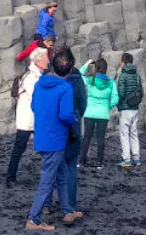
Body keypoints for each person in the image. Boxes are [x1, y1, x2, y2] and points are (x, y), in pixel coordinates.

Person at [26, 50, 79, 231]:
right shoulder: (65, 88)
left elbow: (33, 106)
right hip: (55, 140)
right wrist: (74, 120)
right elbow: (66, 115)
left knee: (62, 174)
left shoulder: (40, 84)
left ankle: (67, 211)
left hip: (42, 137)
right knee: (47, 180)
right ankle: (34, 218)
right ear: (70, 69)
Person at [7, 47, 49, 187]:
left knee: (23, 148)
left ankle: (11, 177)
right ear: (38, 61)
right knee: (21, 148)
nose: (48, 61)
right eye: (45, 58)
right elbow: (36, 97)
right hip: (28, 119)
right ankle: (10, 178)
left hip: (30, 119)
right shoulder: (32, 77)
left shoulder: (34, 75)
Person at [59, 48, 88, 219]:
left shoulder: (50, 80)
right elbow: (83, 105)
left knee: (51, 167)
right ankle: (69, 207)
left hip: (55, 128)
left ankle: (46, 205)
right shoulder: (77, 81)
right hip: (73, 125)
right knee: (70, 167)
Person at [81, 58, 118, 169]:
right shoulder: (110, 82)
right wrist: (108, 106)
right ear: (106, 69)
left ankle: (82, 161)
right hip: (103, 114)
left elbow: (80, 74)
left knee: (87, 137)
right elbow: (115, 98)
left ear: (95, 68)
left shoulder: (90, 80)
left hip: (90, 112)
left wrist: (87, 63)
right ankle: (99, 162)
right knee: (100, 138)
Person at [115, 53, 144, 167]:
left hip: (125, 108)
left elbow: (121, 94)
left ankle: (126, 160)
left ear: (123, 62)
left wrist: (119, 104)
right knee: (134, 133)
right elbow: (141, 93)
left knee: (124, 134)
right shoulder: (137, 76)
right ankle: (136, 159)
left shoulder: (123, 76)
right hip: (135, 108)